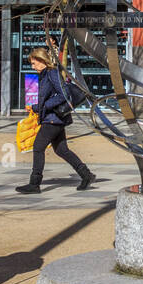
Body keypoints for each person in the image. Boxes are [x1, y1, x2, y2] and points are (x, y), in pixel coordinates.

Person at [15, 48, 96, 193]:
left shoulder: (52, 73)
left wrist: (44, 106)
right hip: (53, 118)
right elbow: (50, 97)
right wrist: (35, 107)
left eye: (34, 63)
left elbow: (64, 95)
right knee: (62, 150)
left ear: (41, 61)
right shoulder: (46, 75)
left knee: (38, 147)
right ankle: (86, 175)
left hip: (53, 119)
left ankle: (34, 184)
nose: (33, 67)